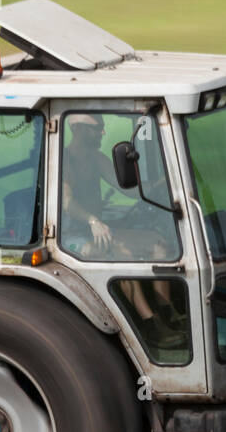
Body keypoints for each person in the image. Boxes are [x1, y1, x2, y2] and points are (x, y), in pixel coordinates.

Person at [61, 113, 185, 349]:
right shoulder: (65, 161)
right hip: (69, 236)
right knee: (121, 256)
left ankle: (168, 314)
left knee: (160, 245)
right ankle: (149, 325)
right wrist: (93, 221)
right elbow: (66, 201)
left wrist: (165, 184)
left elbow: (129, 190)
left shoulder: (95, 159)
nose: (103, 133)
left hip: (97, 229)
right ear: (77, 128)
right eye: (97, 128)